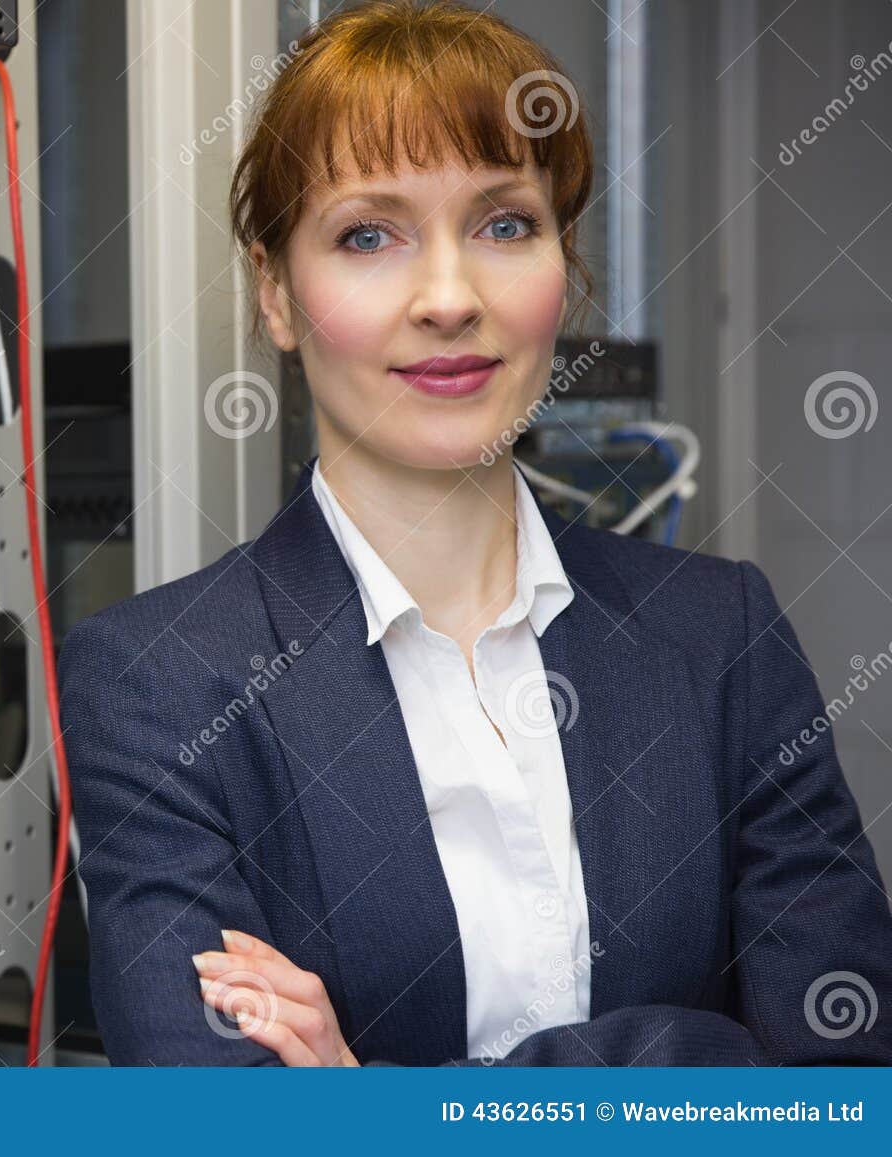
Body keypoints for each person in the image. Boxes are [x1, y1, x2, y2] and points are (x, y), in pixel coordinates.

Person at [56, 0, 892, 1066]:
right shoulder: (156, 680)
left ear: (563, 263)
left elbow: (846, 1078)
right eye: (369, 234)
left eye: (504, 224)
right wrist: (700, 1047)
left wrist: (372, 1099)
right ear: (275, 291)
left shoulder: (717, 630)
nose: (449, 297)